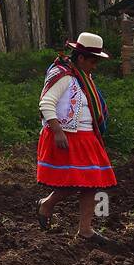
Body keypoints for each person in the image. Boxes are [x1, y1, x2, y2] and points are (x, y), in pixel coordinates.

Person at [34, 32, 117, 243]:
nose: (95, 66)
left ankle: (85, 230)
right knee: (73, 182)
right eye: (92, 61)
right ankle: (47, 204)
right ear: (81, 58)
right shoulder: (64, 76)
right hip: (68, 137)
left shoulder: (84, 78)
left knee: (91, 183)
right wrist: (58, 131)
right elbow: (46, 103)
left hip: (87, 137)